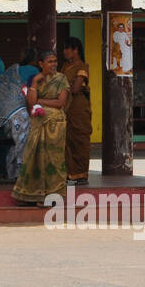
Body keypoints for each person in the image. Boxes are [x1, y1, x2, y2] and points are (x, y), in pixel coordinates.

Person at [11, 50, 70, 205]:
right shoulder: (35, 79)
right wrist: (35, 83)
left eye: (55, 61)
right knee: (34, 158)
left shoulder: (61, 79)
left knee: (54, 159)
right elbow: (31, 102)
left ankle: (54, 196)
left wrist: (40, 100)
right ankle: (31, 195)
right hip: (37, 123)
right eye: (50, 61)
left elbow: (60, 103)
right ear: (41, 64)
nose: (53, 64)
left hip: (55, 125)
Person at [61, 38, 92, 186]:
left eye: (68, 48)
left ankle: (81, 174)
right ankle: (70, 173)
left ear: (76, 50)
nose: (64, 52)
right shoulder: (65, 66)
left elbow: (75, 88)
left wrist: (69, 84)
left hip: (79, 108)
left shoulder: (82, 67)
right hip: (66, 108)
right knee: (67, 140)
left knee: (80, 139)